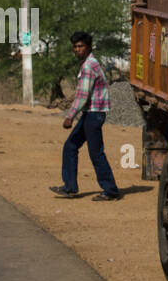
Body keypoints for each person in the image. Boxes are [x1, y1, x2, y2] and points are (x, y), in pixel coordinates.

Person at [50, 32, 121, 202]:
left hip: (94, 114)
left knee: (96, 153)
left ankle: (110, 190)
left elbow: (82, 95)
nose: (77, 50)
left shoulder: (89, 66)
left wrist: (70, 116)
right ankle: (69, 187)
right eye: (75, 47)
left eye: (81, 46)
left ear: (89, 47)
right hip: (91, 113)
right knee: (70, 146)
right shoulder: (89, 64)